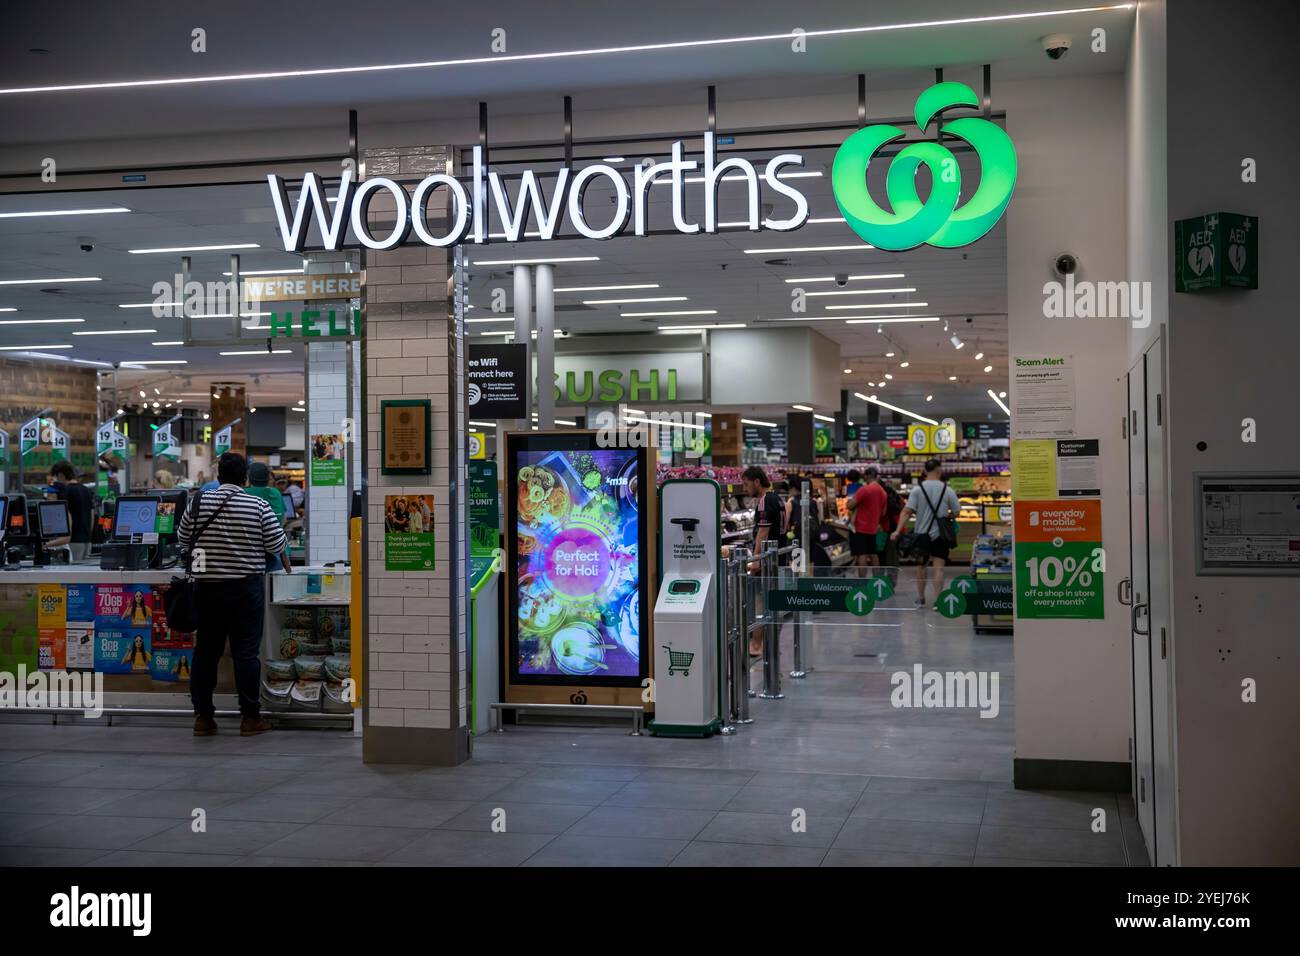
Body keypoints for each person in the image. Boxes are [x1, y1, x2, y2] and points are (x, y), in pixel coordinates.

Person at [179, 452, 289, 738]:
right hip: (245, 589)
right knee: (246, 654)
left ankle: (203, 717)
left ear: (218, 477)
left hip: (208, 588)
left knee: (206, 652)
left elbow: (182, 538)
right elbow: (276, 543)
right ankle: (250, 718)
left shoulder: (198, 502)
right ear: (245, 479)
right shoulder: (258, 505)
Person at [891, 459, 962, 606]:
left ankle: (921, 598)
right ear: (939, 470)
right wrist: (948, 515)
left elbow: (906, 512)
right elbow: (956, 512)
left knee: (921, 567)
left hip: (921, 535)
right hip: (940, 536)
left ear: (925, 471)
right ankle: (937, 600)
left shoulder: (917, 490)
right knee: (939, 568)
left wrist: (898, 530)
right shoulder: (947, 490)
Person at [741, 465, 782, 654]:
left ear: (757, 481)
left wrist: (756, 559)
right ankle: (771, 642)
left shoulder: (765, 501)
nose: (745, 488)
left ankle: (756, 644)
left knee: (760, 603)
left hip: (765, 561)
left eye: (747, 484)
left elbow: (763, 533)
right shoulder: (779, 499)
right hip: (777, 559)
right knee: (774, 602)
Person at [47, 460, 93, 562]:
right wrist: (87, 535)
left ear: (61, 475)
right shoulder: (86, 490)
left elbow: (65, 515)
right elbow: (92, 515)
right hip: (87, 540)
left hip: (72, 541)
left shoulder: (65, 491)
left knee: (73, 574)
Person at [847, 465, 887, 568]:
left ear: (867, 477)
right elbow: (883, 513)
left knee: (862, 555)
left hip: (860, 528)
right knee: (873, 554)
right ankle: (876, 579)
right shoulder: (883, 493)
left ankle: (862, 582)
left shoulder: (864, 490)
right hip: (873, 528)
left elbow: (850, 505)